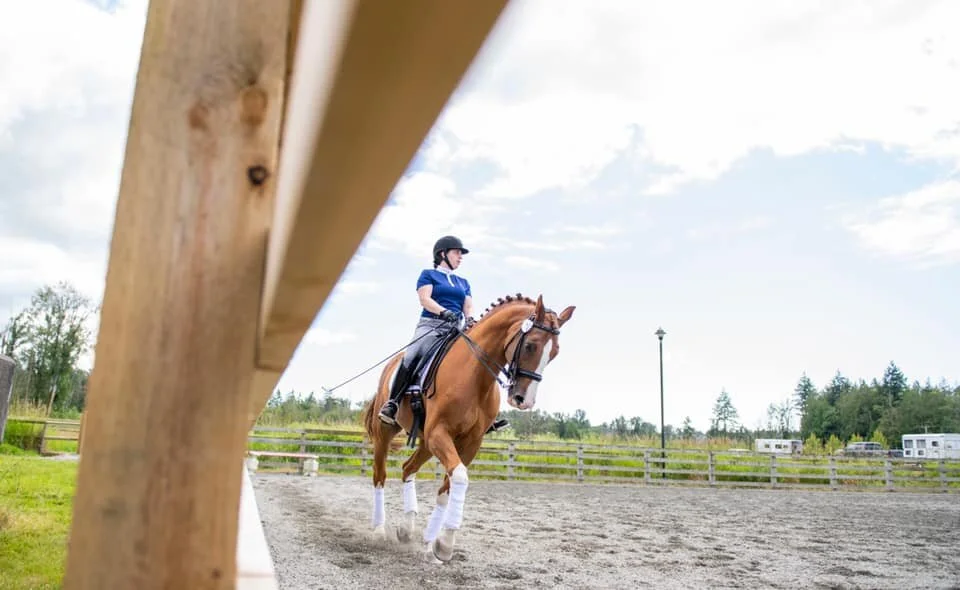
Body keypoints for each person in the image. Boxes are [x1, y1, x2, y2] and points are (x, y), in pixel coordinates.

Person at [378, 235, 508, 434]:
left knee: (478, 358)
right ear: (442, 254)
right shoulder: (429, 275)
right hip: (431, 325)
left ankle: (485, 415)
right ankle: (393, 403)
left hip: (457, 328)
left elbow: (468, 305)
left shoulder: (463, 282)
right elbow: (425, 299)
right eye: (457, 253)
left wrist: (470, 319)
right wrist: (443, 312)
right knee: (412, 355)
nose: (460, 257)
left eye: (461, 254)